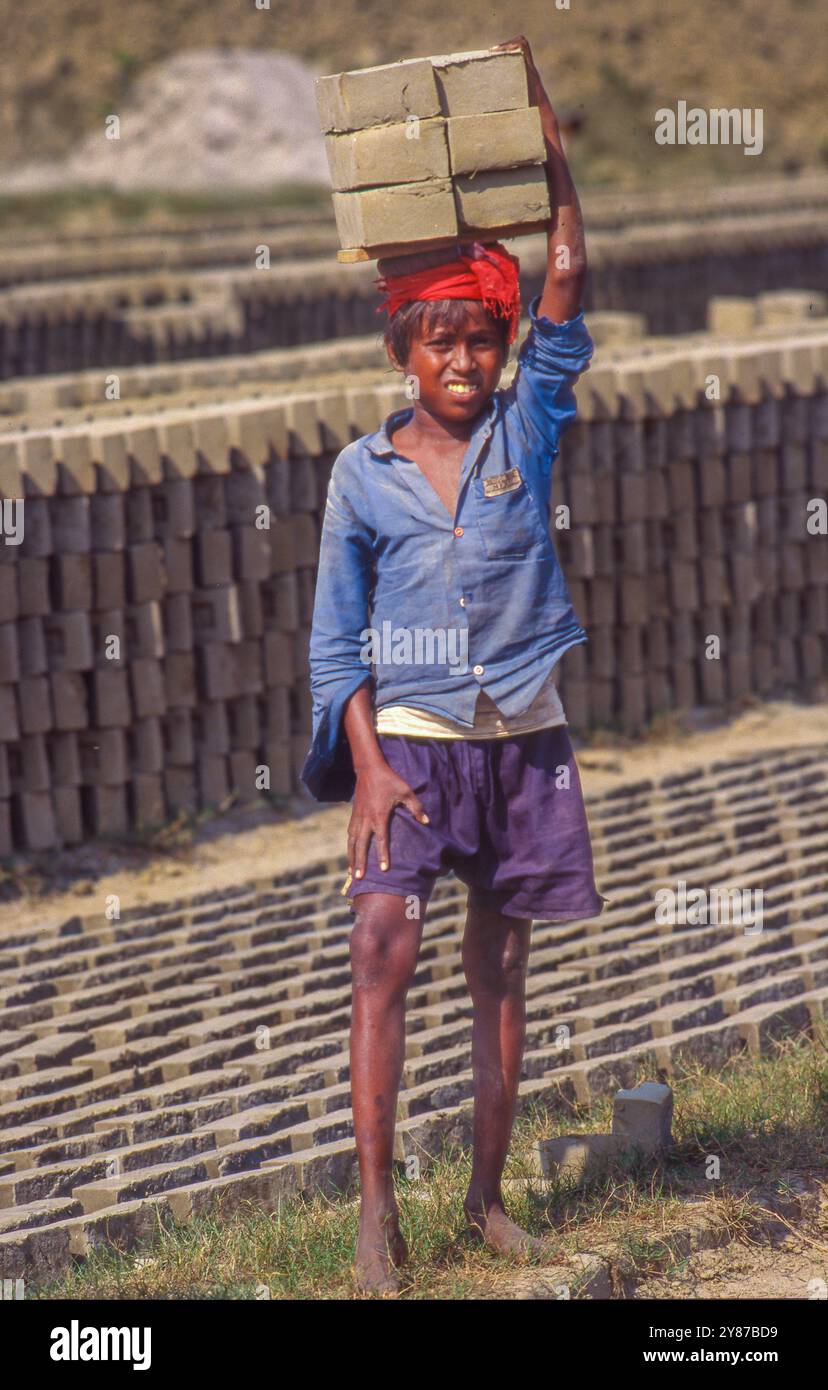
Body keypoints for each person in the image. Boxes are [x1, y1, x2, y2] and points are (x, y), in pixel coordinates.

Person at [301, 35, 607, 1293]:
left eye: (481, 339)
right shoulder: (359, 478)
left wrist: (540, 142)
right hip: (415, 750)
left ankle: (484, 1199)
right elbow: (335, 645)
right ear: (401, 354)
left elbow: (570, 270)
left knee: (501, 965)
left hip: (521, 741)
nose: (466, 362)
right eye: (440, 344)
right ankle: (377, 1214)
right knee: (382, 946)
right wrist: (368, 766)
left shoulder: (526, 430)